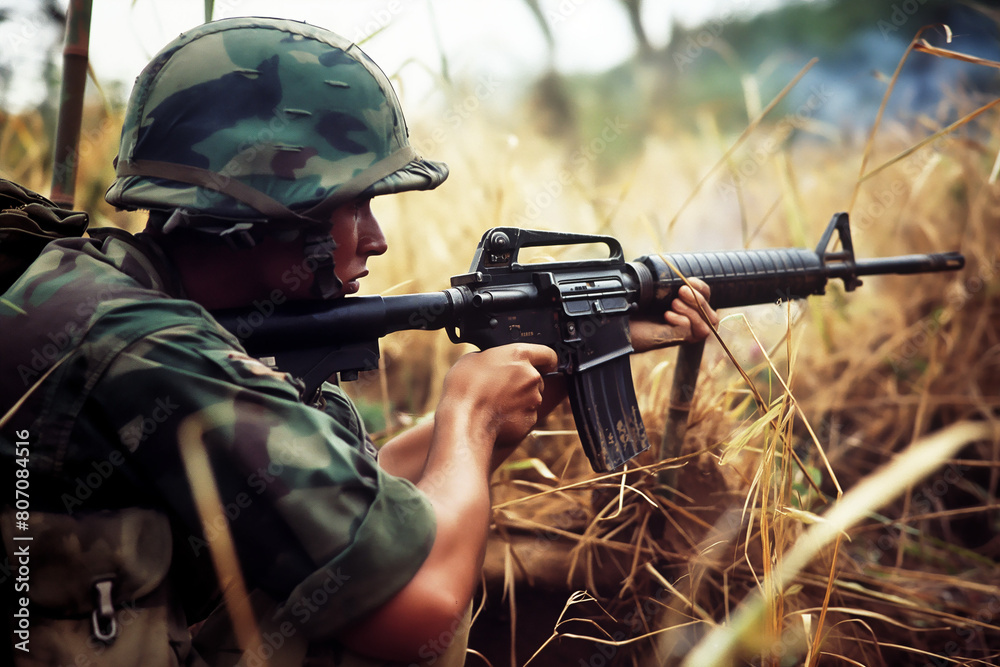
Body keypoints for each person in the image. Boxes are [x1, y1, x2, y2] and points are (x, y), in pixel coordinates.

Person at [0, 16, 718, 667]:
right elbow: (419, 612)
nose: (376, 238)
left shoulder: (105, 290)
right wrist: (471, 414)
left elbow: (344, 495)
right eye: (356, 206)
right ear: (267, 212)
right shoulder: (152, 348)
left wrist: (572, 356)